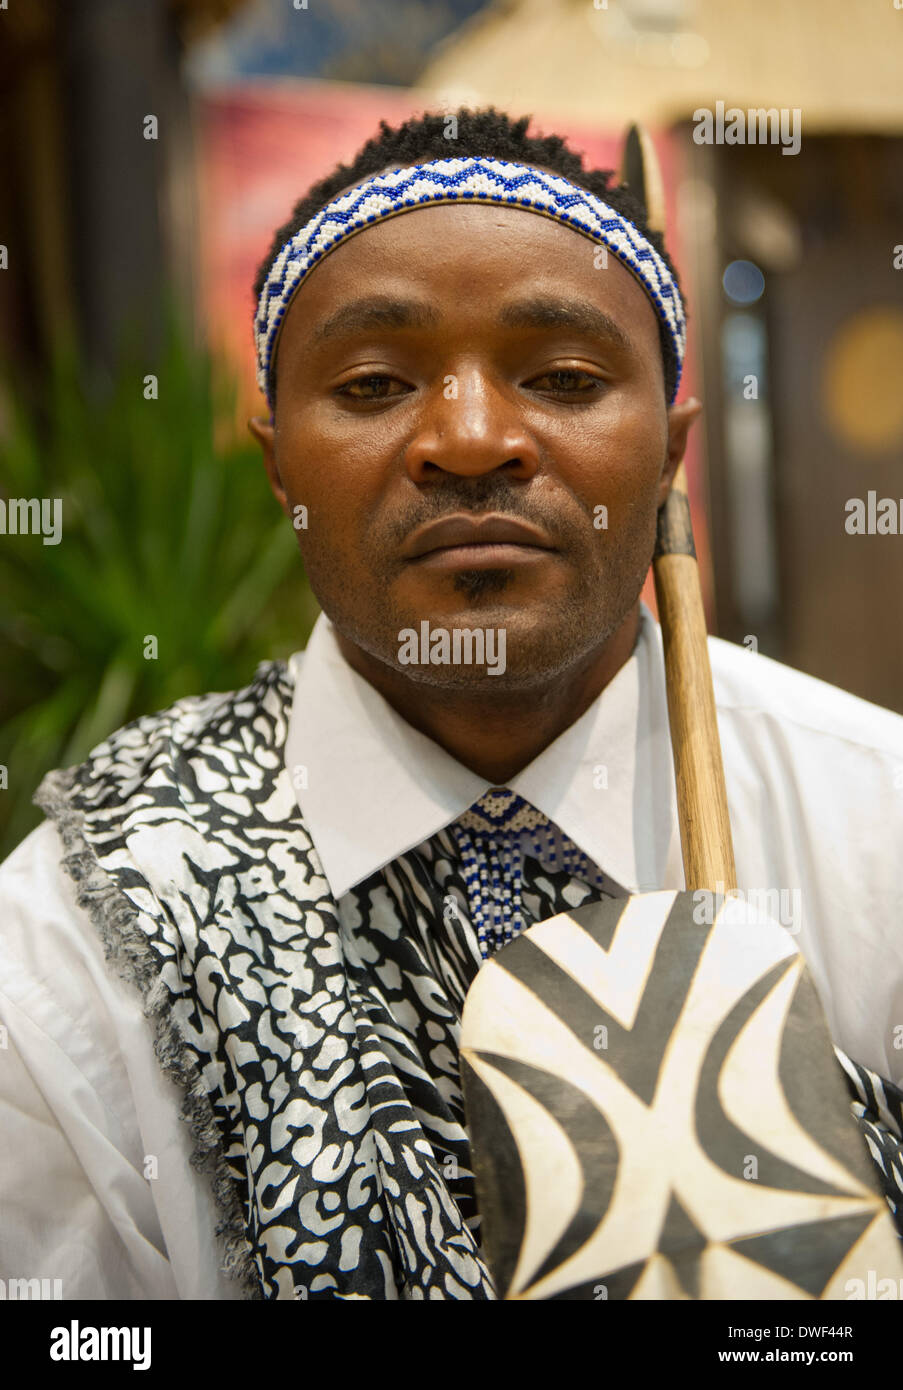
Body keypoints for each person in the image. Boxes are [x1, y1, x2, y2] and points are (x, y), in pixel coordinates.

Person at [1, 108, 901, 1302]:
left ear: (672, 449)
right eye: (375, 382)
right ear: (278, 464)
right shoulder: (84, 926)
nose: (472, 439)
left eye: (565, 378)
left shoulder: (875, 822)